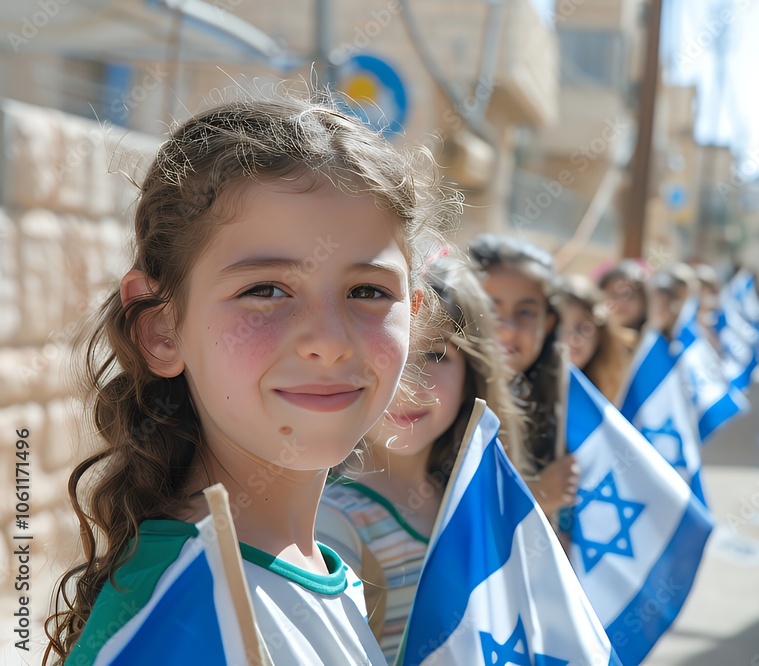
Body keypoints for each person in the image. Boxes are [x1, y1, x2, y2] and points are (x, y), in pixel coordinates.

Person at [45, 97, 458, 665]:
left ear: (412, 314)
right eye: (265, 290)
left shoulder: (317, 572)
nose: (330, 340)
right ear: (162, 329)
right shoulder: (181, 622)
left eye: (367, 292)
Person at [316, 256, 526, 662]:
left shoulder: (477, 500)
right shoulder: (330, 523)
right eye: (389, 353)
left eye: (434, 355)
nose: (409, 383)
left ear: (472, 374)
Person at [468, 234, 579, 518]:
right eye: (491, 308)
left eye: (526, 311)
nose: (507, 328)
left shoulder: (556, 404)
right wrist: (538, 497)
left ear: (548, 322)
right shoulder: (437, 402)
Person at [557, 273, 637, 403]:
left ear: (600, 333)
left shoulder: (620, 395)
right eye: (559, 327)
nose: (571, 339)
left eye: (582, 328)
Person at [597, 259, 648, 332]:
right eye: (614, 296)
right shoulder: (599, 337)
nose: (621, 303)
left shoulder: (652, 336)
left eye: (627, 295)